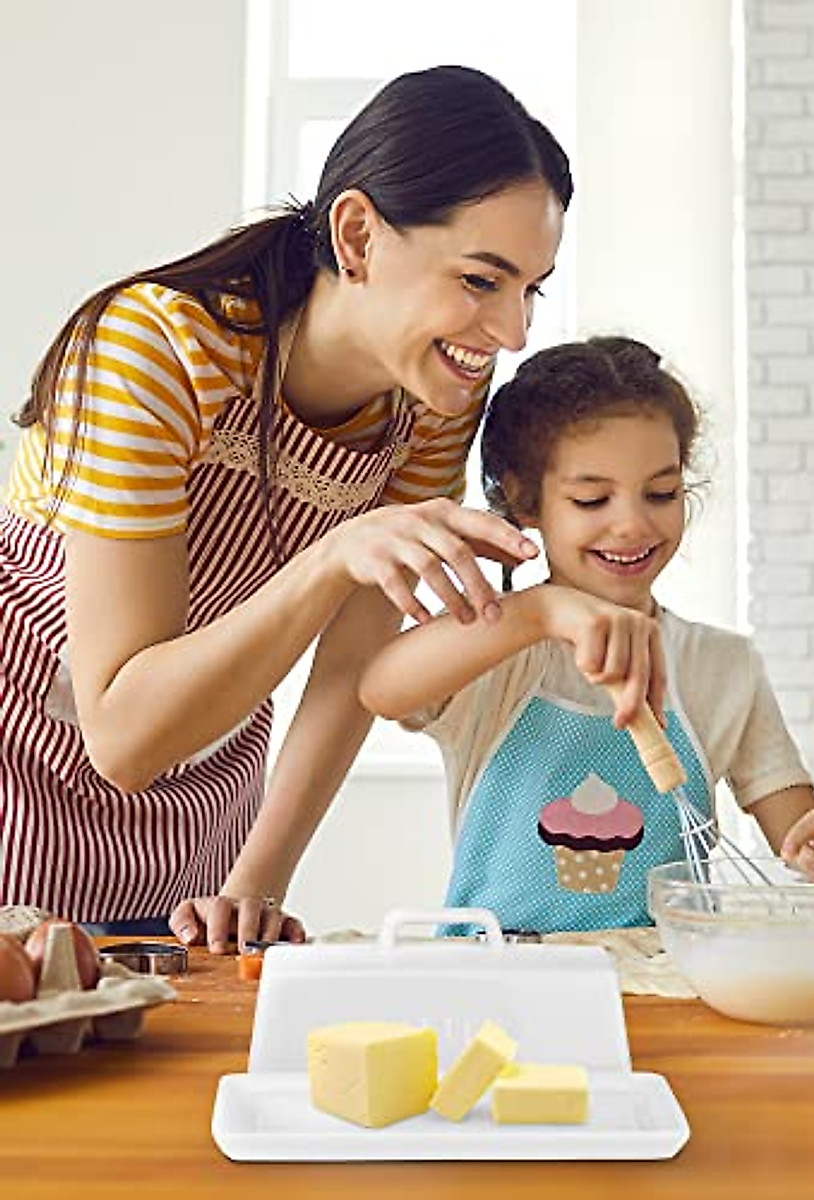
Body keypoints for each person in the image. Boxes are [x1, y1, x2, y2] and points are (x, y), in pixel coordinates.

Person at [1, 65, 572, 947]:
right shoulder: (157, 348)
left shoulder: (428, 403)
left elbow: (351, 672)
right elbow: (119, 732)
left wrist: (254, 883)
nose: (512, 333)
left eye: (530, 289)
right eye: (479, 281)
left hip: (195, 807)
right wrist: (334, 555)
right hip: (21, 769)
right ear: (358, 235)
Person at [356, 336, 814, 934]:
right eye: (591, 498)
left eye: (661, 493)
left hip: (661, 978)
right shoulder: (497, 650)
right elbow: (380, 688)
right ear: (527, 500)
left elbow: (797, 828)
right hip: (499, 974)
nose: (632, 523)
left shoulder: (721, 665)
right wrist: (540, 612)